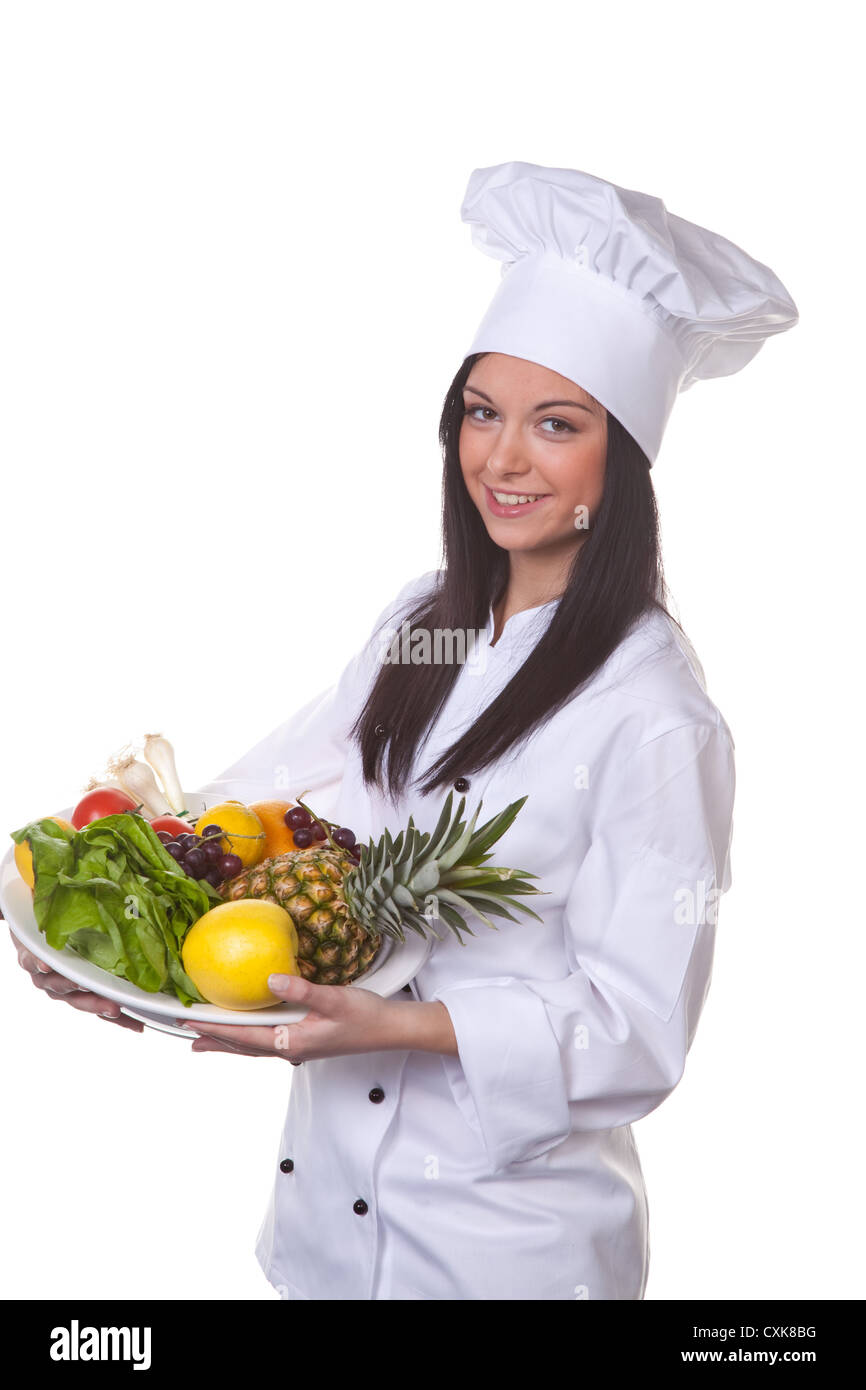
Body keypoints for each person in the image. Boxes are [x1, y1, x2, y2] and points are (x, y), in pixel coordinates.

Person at [7, 162, 798, 1300]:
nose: (502, 458)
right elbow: (287, 798)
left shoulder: (655, 719)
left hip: (506, 1249)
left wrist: (407, 1024)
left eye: (555, 425)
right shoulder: (422, 624)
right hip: (324, 1226)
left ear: (616, 465)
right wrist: (109, 946)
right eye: (481, 412)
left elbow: (637, 1027)